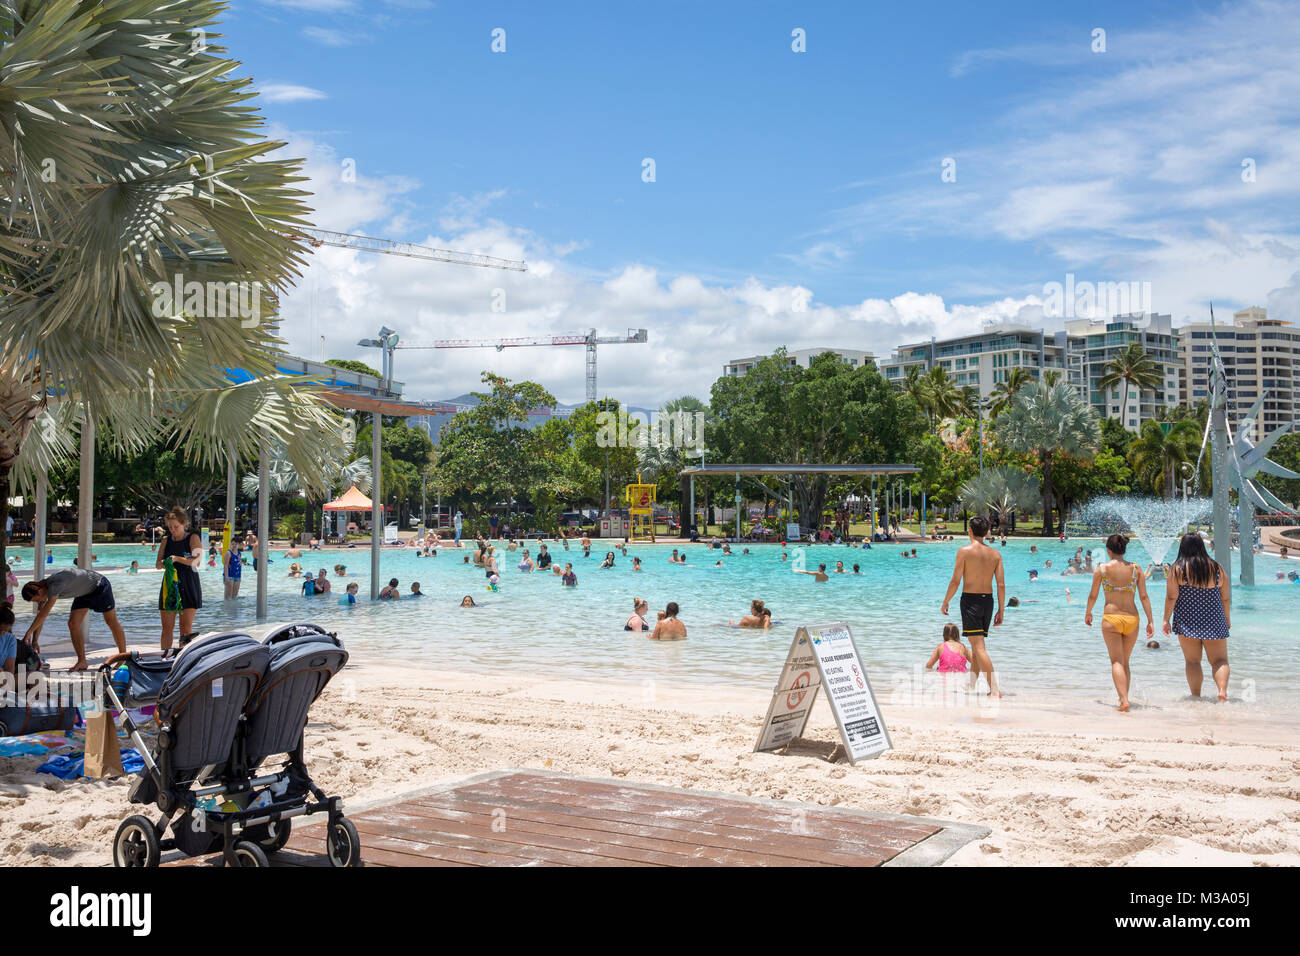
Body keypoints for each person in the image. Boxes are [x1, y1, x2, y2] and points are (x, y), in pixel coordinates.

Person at [940, 515, 1005, 697]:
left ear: (969, 530)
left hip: (971, 601)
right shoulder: (996, 555)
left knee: (978, 647)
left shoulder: (964, 551)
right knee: (977, 644)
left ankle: (994, 689)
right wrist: (1001, 609)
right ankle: (972, 683)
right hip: (988, 601)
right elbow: (1001, 584)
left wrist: (946, 601)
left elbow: (955, 580)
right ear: (986, 532)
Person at [1163, 532, 1231, 702]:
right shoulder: (1216, 568)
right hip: (1214, 620)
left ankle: (1195, 696)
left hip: (1187, 621)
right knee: (1219, 660)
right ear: (1202, 546)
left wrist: (1165, 619)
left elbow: (1172, 597)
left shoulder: (1178, 569)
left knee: (1192, 661)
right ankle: (1222, 691)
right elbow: (1225, 597)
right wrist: (1227, 618)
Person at [21, 569, 127, 670]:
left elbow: (44, 614)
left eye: (36, 600)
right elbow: (40, 618)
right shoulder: (43, 590)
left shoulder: (55, 585)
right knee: (73, 623)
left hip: (99, 586)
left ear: (39, 592)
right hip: (83, 592)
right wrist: (34, 641)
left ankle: (123, 658)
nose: (38, 602)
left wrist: (27, 634)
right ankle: (82, 661)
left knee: (111, 621)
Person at [157, 507, 202, 654]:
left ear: (184, 524)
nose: (173, 530)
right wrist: (166, 563)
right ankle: (165, 657)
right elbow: (158, 564)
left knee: (185, 628)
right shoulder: (166, 540)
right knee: (166, 628)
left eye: (176, 526)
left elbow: (197, 562)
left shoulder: (193, 538)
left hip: (189, 583)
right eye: (170, 527)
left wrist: (176, 559)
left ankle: (183, 659)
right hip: (170, 584)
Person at [0, 605, 16, 678]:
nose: (1, 634)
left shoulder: (10, 639)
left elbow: (9, 670)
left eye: (4, 631)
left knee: (37, 681)